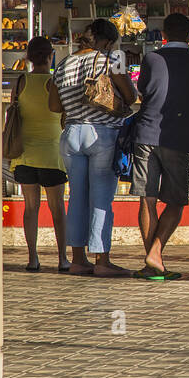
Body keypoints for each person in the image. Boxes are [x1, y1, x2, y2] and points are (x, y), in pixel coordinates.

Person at [50, 18, 138, 276]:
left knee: (77, 197)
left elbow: (54, 106)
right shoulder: (112, 57)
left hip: (71, 134)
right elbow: (131, 96)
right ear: (108, 41)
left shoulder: (64, 62)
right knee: (101, 198)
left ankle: (77, 260)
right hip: (101, 134)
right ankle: (102, 260)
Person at [132, 13, 189, 281]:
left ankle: (152, 261)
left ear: (164, 35)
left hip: (145, 133)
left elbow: (144, 90)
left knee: (146, 199)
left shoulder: (151, 58)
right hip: (178, 137)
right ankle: (155, 254)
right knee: (176, 201)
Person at [9, 36, 68, 272]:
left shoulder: (21, 81)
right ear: (50, 56)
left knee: (31, 207)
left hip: (24, 155)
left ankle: (32, 258)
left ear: (28, 57)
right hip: (52, 154)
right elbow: (63, 117)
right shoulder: (55, 83)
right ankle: (62, 258)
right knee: (57, 209)